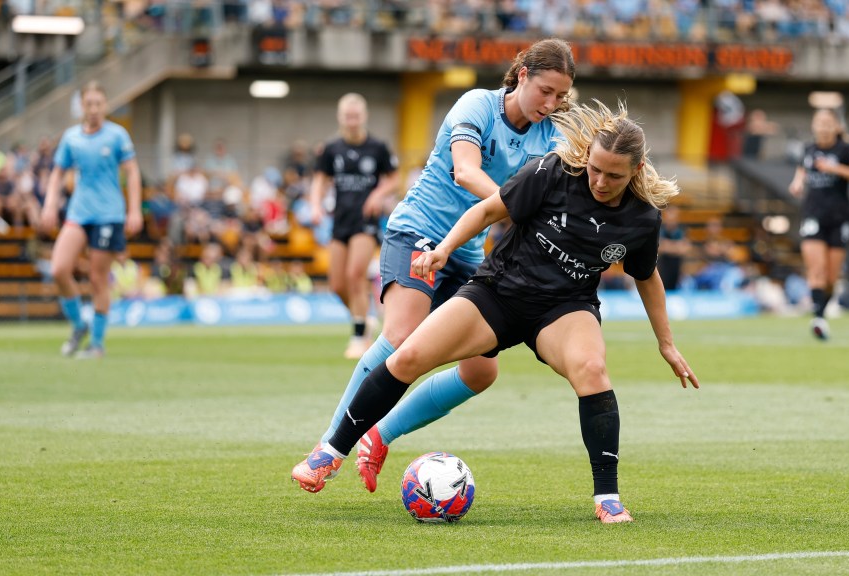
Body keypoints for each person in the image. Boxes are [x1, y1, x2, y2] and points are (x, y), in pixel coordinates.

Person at [292, 100, 699, 524]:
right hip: (498, 293)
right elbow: (487, 210)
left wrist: (666, 343)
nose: (598, 180)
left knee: (592, 370)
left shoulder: (642, 219)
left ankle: (607, 497)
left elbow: (647, 277)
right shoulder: (552, 172)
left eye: (613, 175)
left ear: (635, 170)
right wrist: (444, 250)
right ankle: (330, 451)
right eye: (595, 168)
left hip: (563, 308)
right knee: (408, 355)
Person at [292, 38, 576, 494]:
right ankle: (330, 446)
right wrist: (516, 207)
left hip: (465, 252)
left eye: (561, 96)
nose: (552, 103)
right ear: (522, 75)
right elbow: (464, 171)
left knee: (481, 373)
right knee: (402, 333)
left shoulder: (554, 135)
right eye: (545, 90)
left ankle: (379, 434)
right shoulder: (477, 106)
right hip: (418, 232)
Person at [40, 81, 142, 359]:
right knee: (59, 269)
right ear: (81, 106)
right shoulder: (72, 138)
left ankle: (97, 343)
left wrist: (134, 210)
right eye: (89, 104)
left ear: (105, 105)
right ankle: (78, 325)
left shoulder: (117, 135)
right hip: (79, 213)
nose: (94, 109)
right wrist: (50, 204)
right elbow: (58, 174)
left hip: (109, 214)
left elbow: (132, 172)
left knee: (98, 278)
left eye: (99, 103)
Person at [309, 93, 400, 359]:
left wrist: (376, 195)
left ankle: (359, 337)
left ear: (364, 117)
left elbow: (393, 179)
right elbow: (319, 181)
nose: (351, 121)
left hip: (365, 222)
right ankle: (365, 318)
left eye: (356, 116)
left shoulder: (377, 148)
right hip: (340, 221)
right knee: (337, 284)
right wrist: (315, 205)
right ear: (340, 118)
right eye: (347, 116)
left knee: (355, 274)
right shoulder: (331, 149)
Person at [788, 108, 849, 340]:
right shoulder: (808, 149)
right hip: (813, 215)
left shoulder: (846, 150)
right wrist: (797, 182)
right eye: (819, 123)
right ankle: (818, 319)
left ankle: (822, 313)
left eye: (828, 123)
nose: (823, 127)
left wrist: (834, 168)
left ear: (836, 126)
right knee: (816, 270)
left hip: (839, 218)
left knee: (831, 278)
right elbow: (802, 169)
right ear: (814, 126)